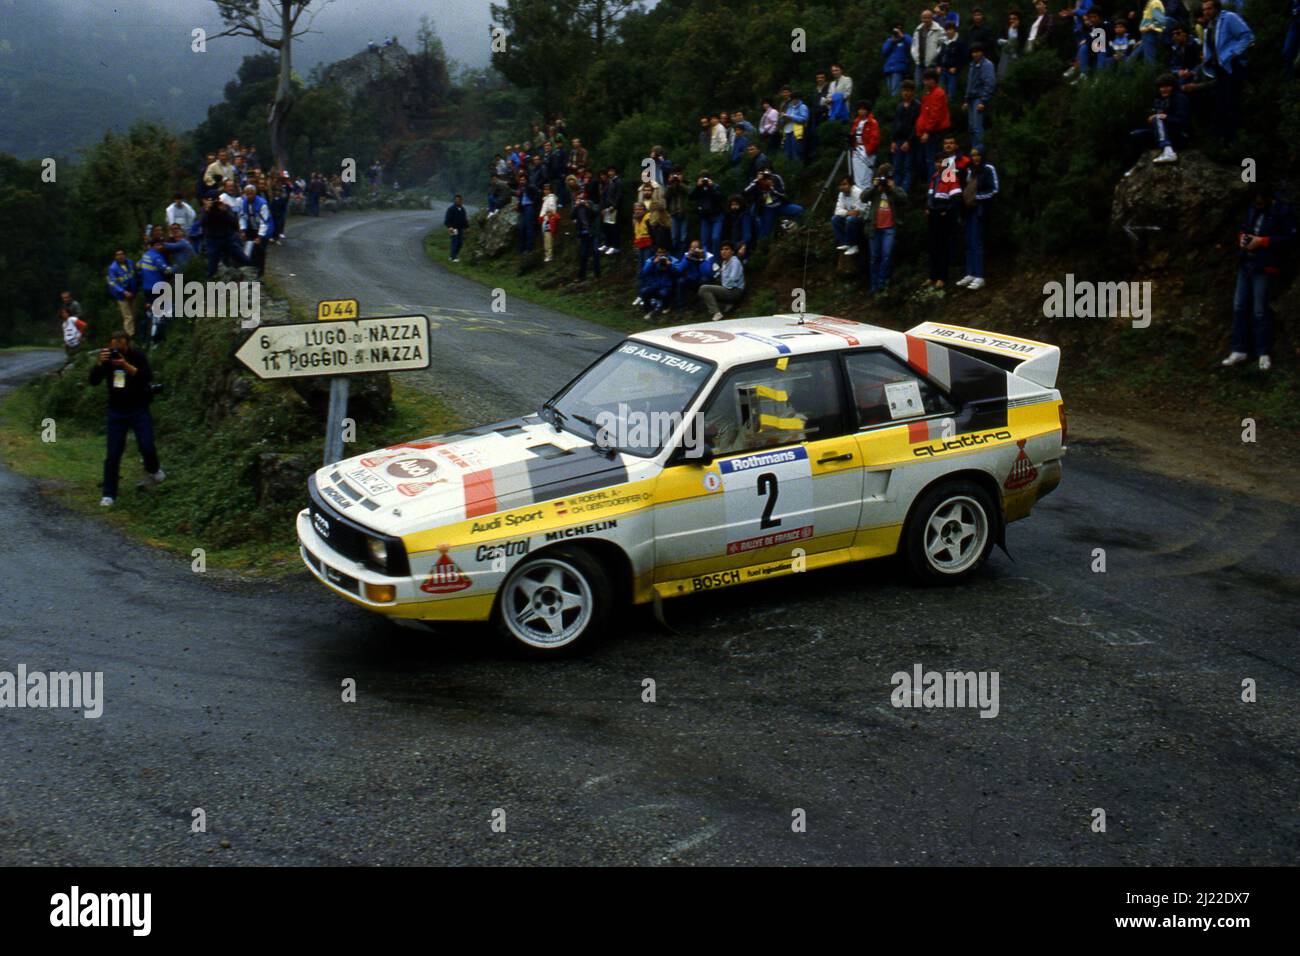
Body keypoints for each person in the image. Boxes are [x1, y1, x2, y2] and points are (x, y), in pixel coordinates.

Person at [1222, 187, 1296, 372]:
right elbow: (1244, 228)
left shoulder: (1283, 211)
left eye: (1260, 202)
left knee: (1260, 310)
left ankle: (1263, 352)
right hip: (1246, 263)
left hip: (1265, 266)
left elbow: (1290, 239)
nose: (1257, 204)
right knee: (1239, 306)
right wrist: (1243, 239)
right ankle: (1239, 349)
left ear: (1269, 198)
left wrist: (1262, 241)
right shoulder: (1252, 209)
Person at [90, 330, 164, 507]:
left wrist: (125, 365)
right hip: (117, 411)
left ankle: (153, 469)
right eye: (113, 347)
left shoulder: (137, 356)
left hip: (138, 408)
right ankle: (109, 494)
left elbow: (146, 377)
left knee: (147, 445)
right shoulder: (107, 359)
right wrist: (100, 363)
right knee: (113, 454)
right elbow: (93, 381)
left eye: (120, 346)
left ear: (127, 344)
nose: (117, 350)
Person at [1199, 0, 1253, 141]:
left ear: (1217, 8)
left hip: (1232, 66)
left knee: (1232, 101)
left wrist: (1233, 53)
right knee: (1221, 101)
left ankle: (1236, 138)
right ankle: (1223, 138)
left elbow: (1247, 36)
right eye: (1204, 9)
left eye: (1209, 8)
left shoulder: (1229, 18)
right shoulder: (1209, 26)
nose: (1206, 12)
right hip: (1219, 68)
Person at [925, 136, 970, 294]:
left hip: (943, 216)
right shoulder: (934, 177)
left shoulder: (950, 176)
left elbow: (956, 198)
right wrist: (928, 208)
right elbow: (930, 195)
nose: (939, 164)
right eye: (937, 162)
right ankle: (932, 275)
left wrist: (946, 210)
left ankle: (942, 277)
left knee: (942, 247)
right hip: (933, 214)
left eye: (941, 162)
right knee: (932, 247)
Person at [862, 164, 907, 294]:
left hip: (889, 228)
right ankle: (874, 285)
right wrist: (874, 186)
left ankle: (882, 283)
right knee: (874, 257)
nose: (883, 180)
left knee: (886, 256)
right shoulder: (875, 190)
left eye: (885, 177)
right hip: (874, 228)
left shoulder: (893, 188)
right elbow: (863, 198)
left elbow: (904, 199)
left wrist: (892, 188)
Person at [1127, 74, 1190, 169]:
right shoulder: (1158, 100)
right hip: (1162, 134)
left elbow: (1183, 120)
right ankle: (1136, 165)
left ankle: (1168, 151)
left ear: (1173, 87)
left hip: (1179, 134)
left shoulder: (1180, 98)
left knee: (1158, 118)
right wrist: (1151, 119)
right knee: (1135, 134)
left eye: (1167, 86)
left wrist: (1166, 117)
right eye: (1161, 87)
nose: (1163, 89)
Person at [958, 147, 999, 291]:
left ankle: (980, 276)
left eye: (978, 155)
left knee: (977, 242)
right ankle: (970, 272)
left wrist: (977, 197)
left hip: (979, 210)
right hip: (968, 210)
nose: (975, 158)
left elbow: (994, 190)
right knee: (968, 241)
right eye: (973, 155)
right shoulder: (970, 169)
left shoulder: (988, 168)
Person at [744, 168, 804, 239]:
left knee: (799, 210)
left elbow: (783, 193)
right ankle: (763, 244)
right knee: (765, 233)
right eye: (764, 175)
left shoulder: (776, 178)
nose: (766, 177)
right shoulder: (756, 183)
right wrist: (757, 181)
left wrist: (771, 189)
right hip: (768, 209)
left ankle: (795, 227)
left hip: (781, 205)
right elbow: (745, 192)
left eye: (767, 174)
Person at [201, 194, 249, 278]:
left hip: (227, 239)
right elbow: (204, 224)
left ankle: (250, 277)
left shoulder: (225, 208)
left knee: (244, 259)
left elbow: (234, 224)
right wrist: (207, 211)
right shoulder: (205, 210)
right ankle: (210, 284)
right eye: (213, 201)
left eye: (216, 200)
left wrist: (225, 212)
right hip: (213, 241)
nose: (215, 203)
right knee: (212, 267)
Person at [916, 69, 951, 175]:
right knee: (930, 159)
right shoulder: (928, 94)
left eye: (928, 80)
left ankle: (938, 186)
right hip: (930, 132)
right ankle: (933, 186)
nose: (925, 82)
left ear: (934, 80)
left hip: (936, 132)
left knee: (935, 159)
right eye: (924, 80)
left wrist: (927, 131)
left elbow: (935, 115)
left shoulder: (938, 93)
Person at [700, 242, 745, 321]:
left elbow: (733, 279)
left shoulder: (735, 261)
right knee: (704, 292)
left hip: (734, 291)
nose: (723, 251)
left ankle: (717, 313)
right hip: (728, 289)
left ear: (732, 251)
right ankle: (725, 306)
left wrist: (722, 284)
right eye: (722, 249)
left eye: (726, 249)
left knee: (704, 289)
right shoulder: (724, 263)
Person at [964, 43, 996, 151]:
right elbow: (970, 83)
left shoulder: (987, 65)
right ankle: (974, 151)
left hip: (979, 98)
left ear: (982, 52)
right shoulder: (972, 65)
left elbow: (989, 83)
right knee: (971, 128)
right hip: (971, 99)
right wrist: (966, 99)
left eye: (978, 52)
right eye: (973, 52)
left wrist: (983, 101)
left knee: (977, 128)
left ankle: (979, 153)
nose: (975, 54)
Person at [892, 80, 922, 193]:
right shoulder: (899, 106)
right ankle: (894, 193)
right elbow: (895, 124)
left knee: (907, 168)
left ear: (913, 92)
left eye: (908, 91)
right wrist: (893, 140)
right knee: (897, 168)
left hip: (910, 141)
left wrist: (909, 141)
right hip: (899, 140)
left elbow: (916, 126)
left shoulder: (917, 106)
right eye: (904, 91)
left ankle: (903, 193)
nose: (906, 93)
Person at [690, 171, 726, 257]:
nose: (704, 181)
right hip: (705, 217)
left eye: (706, 179)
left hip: (717, 216)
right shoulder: (699, 188)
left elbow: (720, 198)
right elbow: (691, 197)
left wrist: (711, 187)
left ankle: (715, 260)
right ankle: (706, 260)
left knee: (715, 238)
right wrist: (697, 186)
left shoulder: (715, 187)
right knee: (704, 241)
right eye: (703, 179)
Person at [240, 184, 272, 277]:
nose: (249, 196)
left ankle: (260, 273)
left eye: (251, 194)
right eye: (247, 194)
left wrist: (260, 236)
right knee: (249, 248)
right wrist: (243, 230)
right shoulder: (244, 202)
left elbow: (264, 222)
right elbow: (242, 216)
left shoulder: (262, 204)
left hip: (263, 228)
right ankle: (249, 270)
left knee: (260, 250)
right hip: (251, 227)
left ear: (255, 193)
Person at [637, 247, 677, 321]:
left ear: (667, 252)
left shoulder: (673, 260)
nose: (661, 254)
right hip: (654, 285)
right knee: (644, 291)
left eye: (663, 252)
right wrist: (653, 263)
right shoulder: (651, 260)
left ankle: (666, 306)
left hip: (667, 286)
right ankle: (648, 310)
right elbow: (643, 273)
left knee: (663, 293)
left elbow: (678, 273)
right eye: (659, 252)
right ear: (656, 253)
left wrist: (670, 265)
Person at [106, 249, 138, 336]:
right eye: (118, 255)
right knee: (128, 316)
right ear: (115, 257)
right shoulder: (113, 268)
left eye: (122, 254)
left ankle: (134, 333)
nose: (120, 256)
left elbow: (135, 274)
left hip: (132, 292)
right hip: (121, 295)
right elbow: (113, 283)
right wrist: (123, 292)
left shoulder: (130, 263)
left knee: (133, 314)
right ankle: (130, 336)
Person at [913, 9, 948, 88]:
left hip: (932, 64)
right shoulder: (918, 30)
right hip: (919, 63)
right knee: (918, 86)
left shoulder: (939, 30)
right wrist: (915, 56)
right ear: (921, 18)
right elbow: (914, 45)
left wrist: (938, 61)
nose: (926, 20)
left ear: (932, 18)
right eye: (924, 18)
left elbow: (943, 46)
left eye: (928, 18)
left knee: (931, 87)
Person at [849, 102, 881, 187]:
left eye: (863, 109)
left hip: (866, 150)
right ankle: (859, 197)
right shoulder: (856, 121)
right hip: (856, 149)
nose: (861, 111)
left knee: (866, 177)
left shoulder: (873, 122)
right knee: (857, 177)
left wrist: (868, 151)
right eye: (860, 109)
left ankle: (866, 197)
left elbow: (875, 138)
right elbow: (852, 135)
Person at [831, 176, 865, 256]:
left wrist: (847, 212)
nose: (842, 187)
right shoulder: (841, 194)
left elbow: (858, 212)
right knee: (835, 219)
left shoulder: (858, 193)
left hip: (863, 220)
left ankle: (853, 246)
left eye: (844, 184)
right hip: (851, 217)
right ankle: (846, 243)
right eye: (840, 185)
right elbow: (837, 211)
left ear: (851, 185)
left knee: (850, 219)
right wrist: (848, 212)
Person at [574, 189, 602, 281]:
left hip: (593, 233)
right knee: (583, 255)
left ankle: (597, 276)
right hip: (583, 234)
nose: (581, 200)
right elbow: (572, 216)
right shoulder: (577, 206)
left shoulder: (590, 203)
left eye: (582, 198)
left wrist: (587, 206)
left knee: (595, 253)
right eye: (579, 198)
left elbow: (596, 213)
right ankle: (581, 276)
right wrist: (576, 206)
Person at [938, 21, 969, 101]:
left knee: (951, 94)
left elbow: (964, 58)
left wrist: (956, 68)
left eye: (950, 29)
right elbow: (940, 55)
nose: (948, 31)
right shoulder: (944, 42)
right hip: (943, 71)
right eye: (947, 30)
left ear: (955, 30)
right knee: (941, 93)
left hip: (952, 72)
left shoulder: (960, 42)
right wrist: (938, 66)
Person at [883, 24, 914, 95]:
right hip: (888, 69)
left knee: (895, 92)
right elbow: (884, 51)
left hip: (899, 69)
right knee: (889, 92)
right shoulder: (890, 39)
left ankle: (895, 104)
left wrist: (902, 36)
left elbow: (912, 44)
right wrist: (892, 41)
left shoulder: (906, 37)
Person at [665, 171, 690, 254]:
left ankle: (682, 255)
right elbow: (665, 196)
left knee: (683, 237)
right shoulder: (670, 186)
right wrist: (670, 183)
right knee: (674, 237)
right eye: (675, 175)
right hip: (673, 214)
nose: (676, 176)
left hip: (684, 213)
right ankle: (675, 256)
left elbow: (689, 192)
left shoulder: (686, 184)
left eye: (679, 174)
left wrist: (680, 182)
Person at [781, 92, 810, 162]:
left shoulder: (803, 106)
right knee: (787, 154)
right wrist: (783, 118)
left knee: (796, 153)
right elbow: (783, 121)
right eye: (792, 99)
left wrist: (791, 117)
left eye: (795, 99)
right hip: (787, 132)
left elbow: (804, 119)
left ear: (798, 99)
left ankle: (798, 170)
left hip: (797, 133)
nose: (793, 101)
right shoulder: (789, 108)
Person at [599, 165, 622, 255]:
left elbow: (619, 195)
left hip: (613, 209)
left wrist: (614, 206)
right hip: (606, 208)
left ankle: (615, 246)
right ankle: (607, 244)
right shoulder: (609, 182)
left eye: (612, 171)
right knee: (606, 227)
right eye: (609, 171)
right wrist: (603, 207)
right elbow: (604, 195)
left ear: (615, 172)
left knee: (614, 228)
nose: (610, 173)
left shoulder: (618, 182)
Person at [998, 9, 1026, 81]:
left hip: (1017, 57)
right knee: (1003, 76)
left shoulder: (1022, 30)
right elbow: (998, 40)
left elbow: (1022, 43)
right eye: (1010, 19)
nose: (1012, 21)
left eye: (1014, 18)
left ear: (1019, 20)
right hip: (1006, 56)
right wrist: (1006, 42)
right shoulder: (1006, 29)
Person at [444, 194, 469, 262]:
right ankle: (454, 257)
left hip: (460, 229)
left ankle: (453, 255)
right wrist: (449, 227)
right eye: (456, 200)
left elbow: (464, 219)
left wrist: (467, 227)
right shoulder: (451, 209)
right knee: (454, 242)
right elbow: (447, 220)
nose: (458, 201)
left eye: (459, 200)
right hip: (453, 228)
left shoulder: (462, 209)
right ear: (454, 200)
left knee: (460, 243)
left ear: (461, 201)